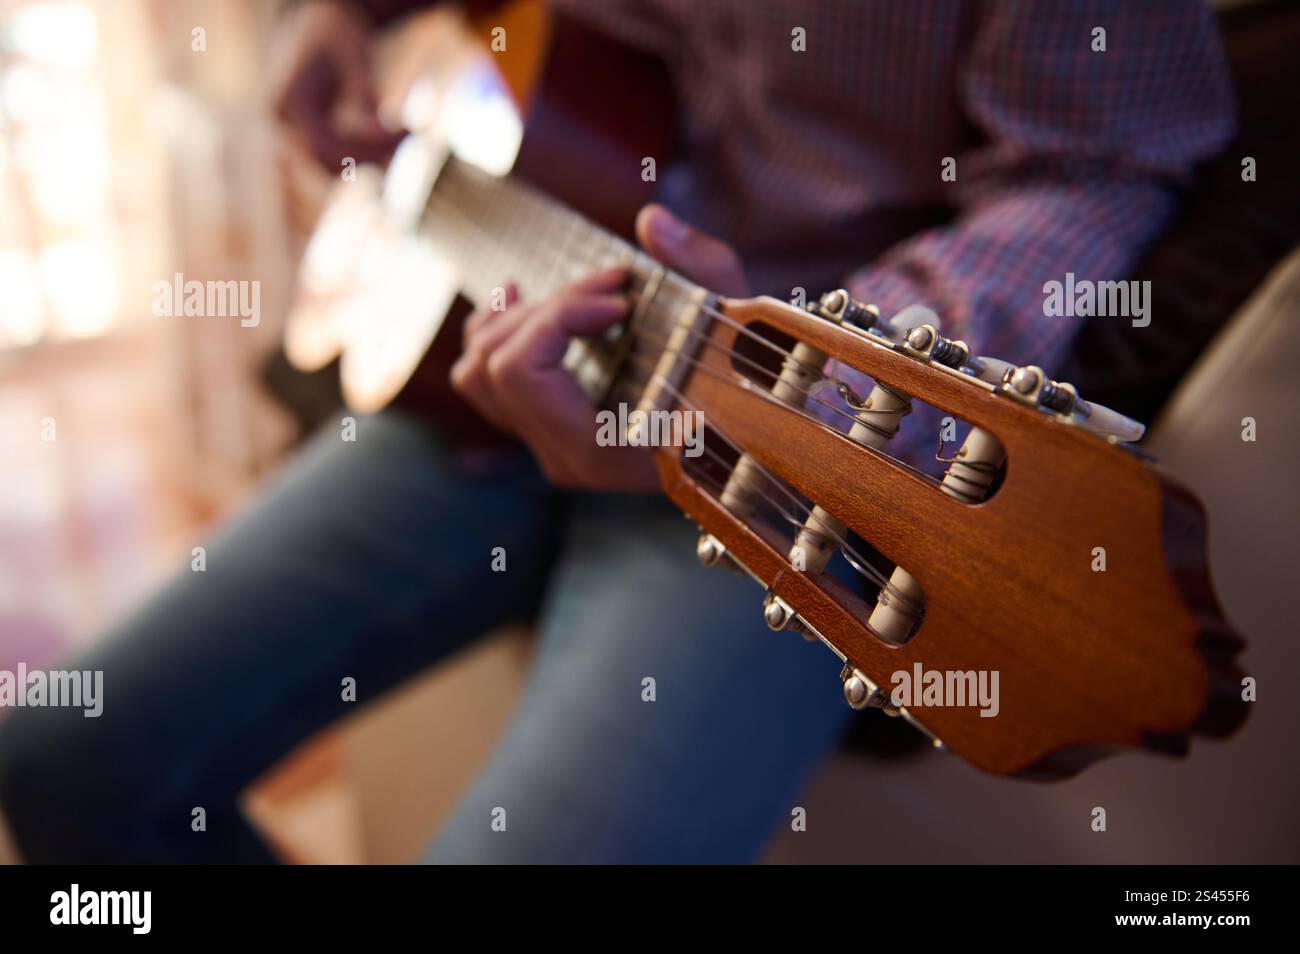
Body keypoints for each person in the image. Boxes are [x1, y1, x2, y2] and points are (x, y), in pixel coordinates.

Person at [0, 0, 1234, 862]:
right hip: (487, 350)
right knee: (59, 760)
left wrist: (790, 387)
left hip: (774, 454)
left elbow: (1097, 165)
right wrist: (337, 11)